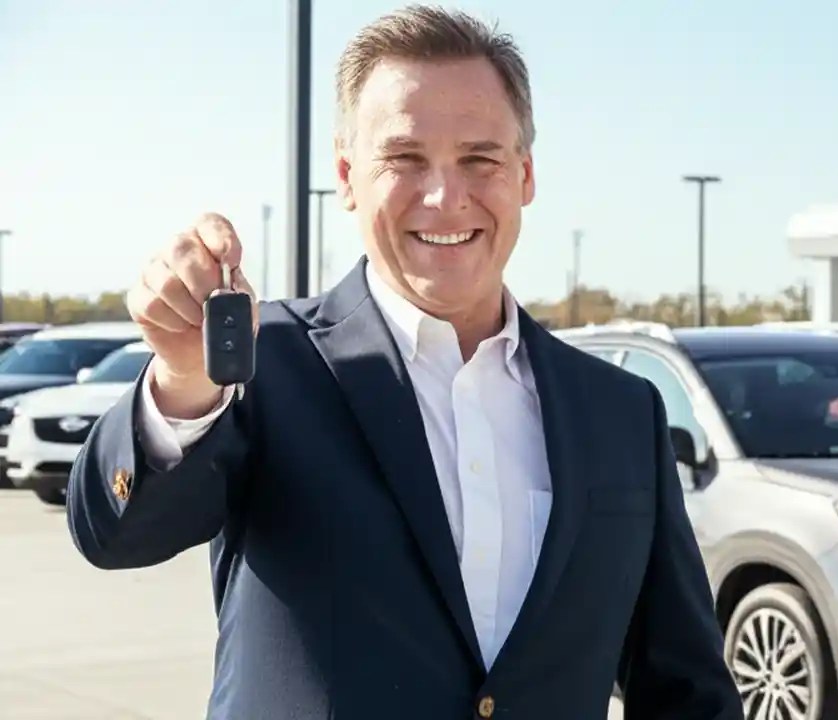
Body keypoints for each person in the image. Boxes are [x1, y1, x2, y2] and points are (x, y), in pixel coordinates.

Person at [66, 5, 742, 719]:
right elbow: (117, 535)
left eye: (479, 159)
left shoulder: (620, 413)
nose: (445, 198)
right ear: (348, 177)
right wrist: (181, 380)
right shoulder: (268, 370)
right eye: (405, 159)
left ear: (526, 176)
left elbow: (687, 690)